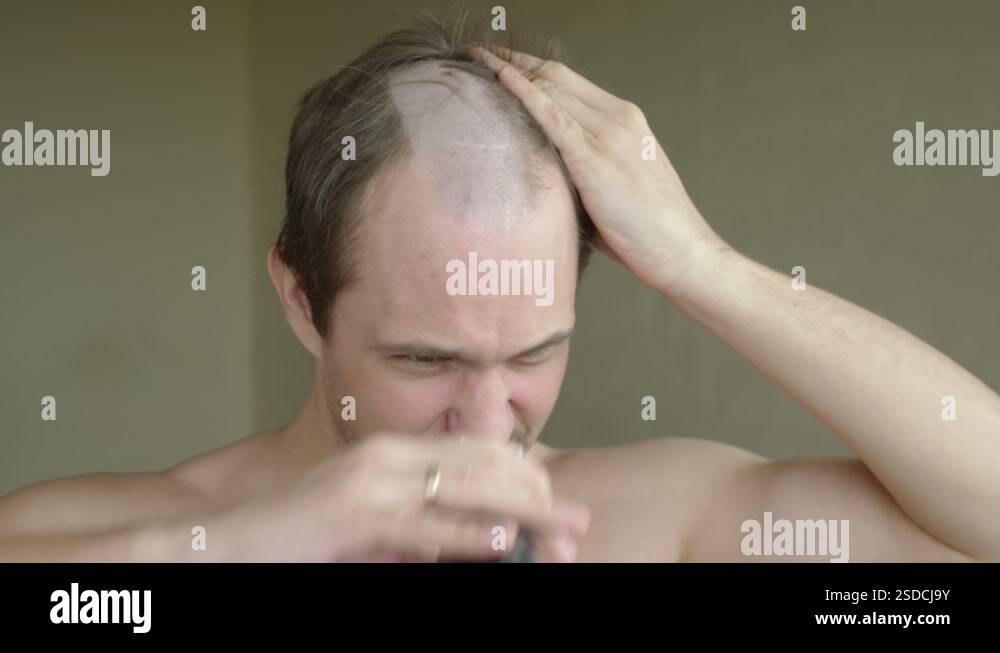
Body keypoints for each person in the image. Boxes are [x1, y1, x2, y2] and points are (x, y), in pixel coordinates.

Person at [1, 19, 997, 563]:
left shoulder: (654, 524)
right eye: (424, 357)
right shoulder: (124, 532)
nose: (485, 422)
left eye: (531, 354)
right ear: (301, 298)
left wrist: (707, 266)